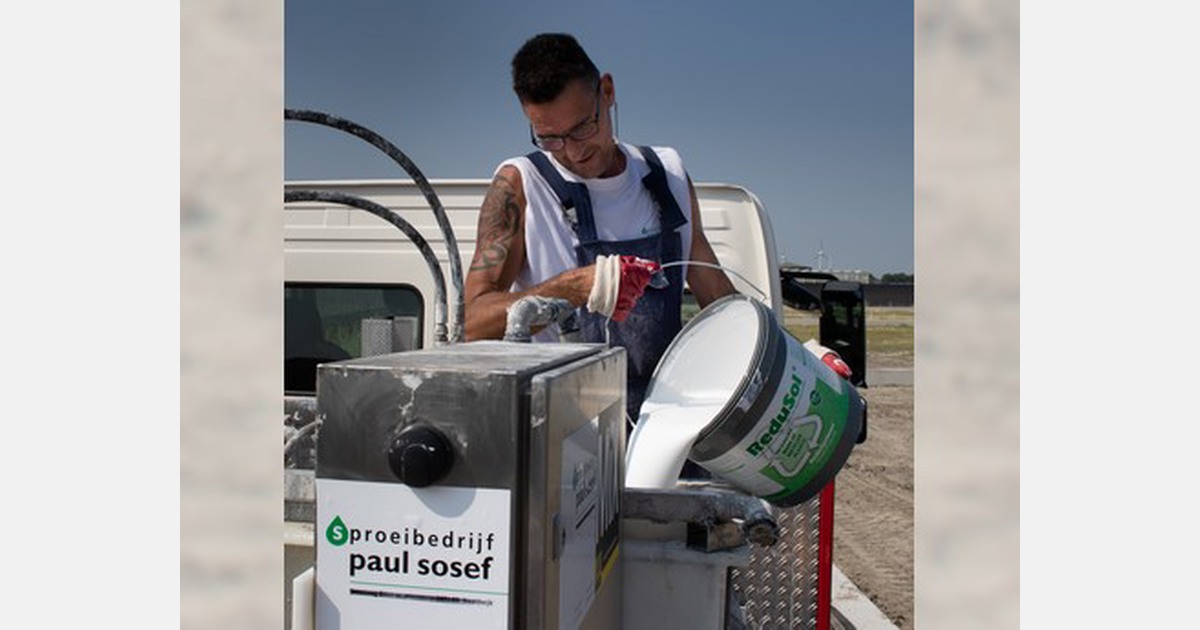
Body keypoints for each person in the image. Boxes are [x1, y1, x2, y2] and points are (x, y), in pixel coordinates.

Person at [464, 32, 738, 423]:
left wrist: (792, 356)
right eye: (550, 139)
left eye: (582, 128)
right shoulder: (521, 186)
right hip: (565, 433)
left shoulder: (667, 176)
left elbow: (720, 300)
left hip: (664, 420)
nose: (573, 151)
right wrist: (573, 288)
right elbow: (473, 323)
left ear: (607, 92)